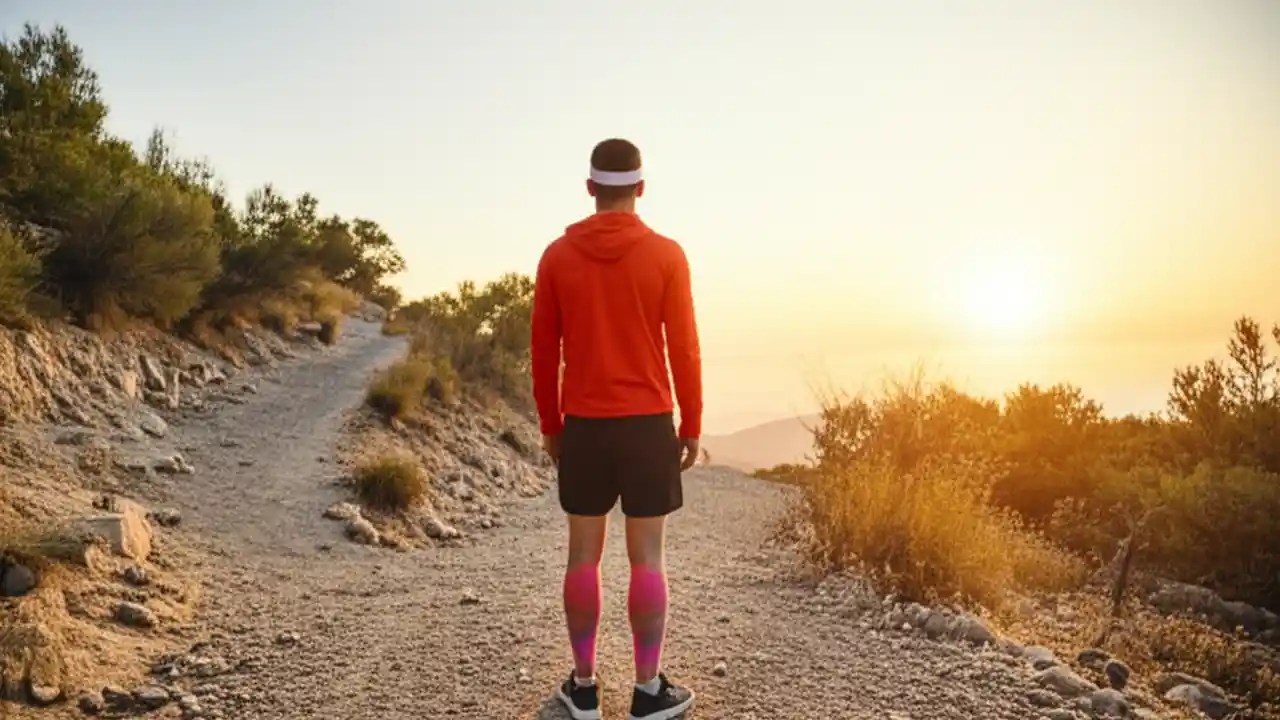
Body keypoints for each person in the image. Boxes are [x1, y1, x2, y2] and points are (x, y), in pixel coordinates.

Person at [531, 138, 702, 720]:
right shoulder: (667, 255)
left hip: (584, 425)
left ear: (590, 189)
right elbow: (684, 347)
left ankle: (583, 689)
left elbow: (543, 350)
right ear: (641, 188)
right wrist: (691, 421)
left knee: (583, 556)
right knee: (647, 559)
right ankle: (648, 692)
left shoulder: (557, 256)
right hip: (648, 424)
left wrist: (551, 424)